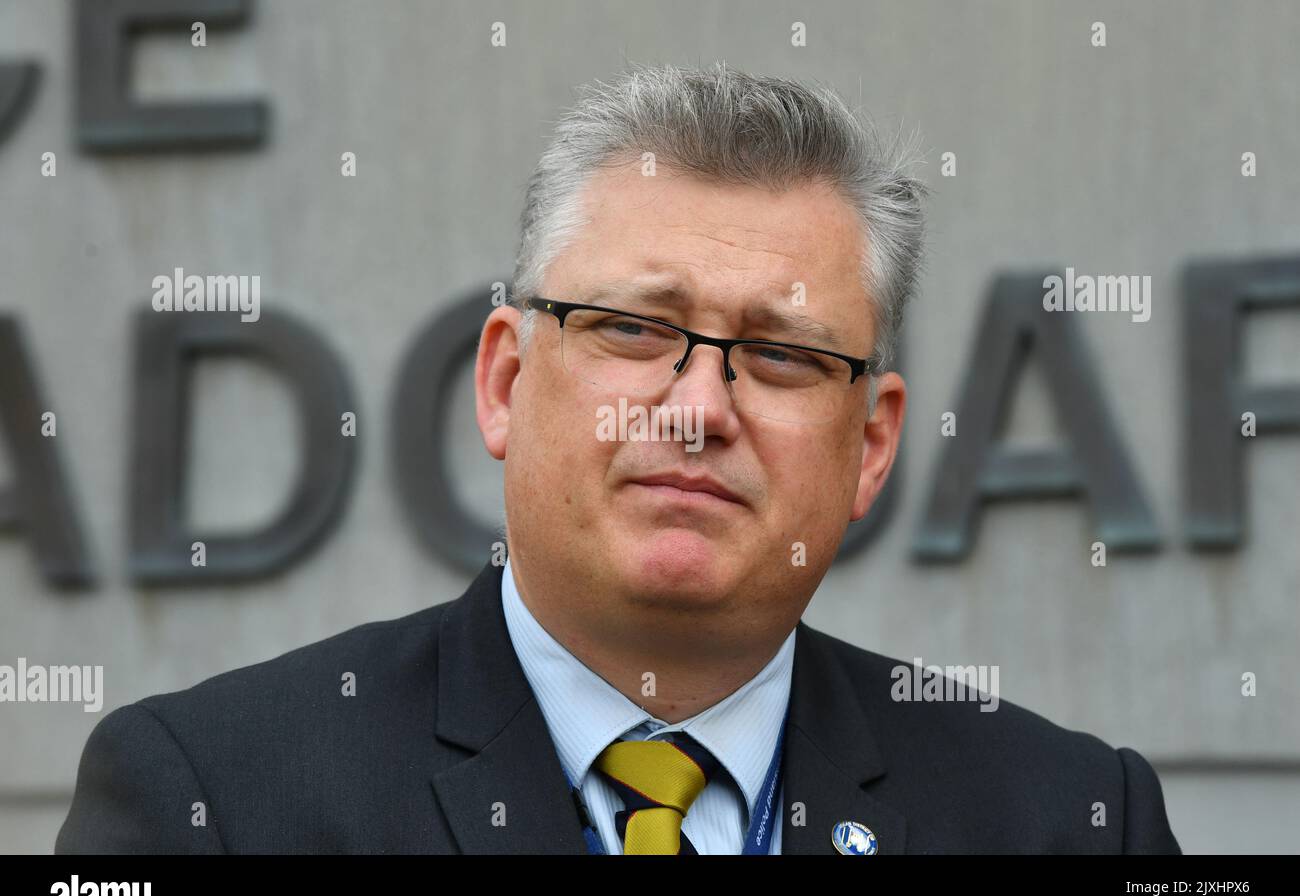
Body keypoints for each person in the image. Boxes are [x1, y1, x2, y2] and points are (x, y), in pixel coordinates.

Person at [56, 62, 1180, 855]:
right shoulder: (209, 798)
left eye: (781, 354)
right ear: (504, 380)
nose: (698, 409)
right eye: (636, 331)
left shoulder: (1071, 819)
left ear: (872, 443)